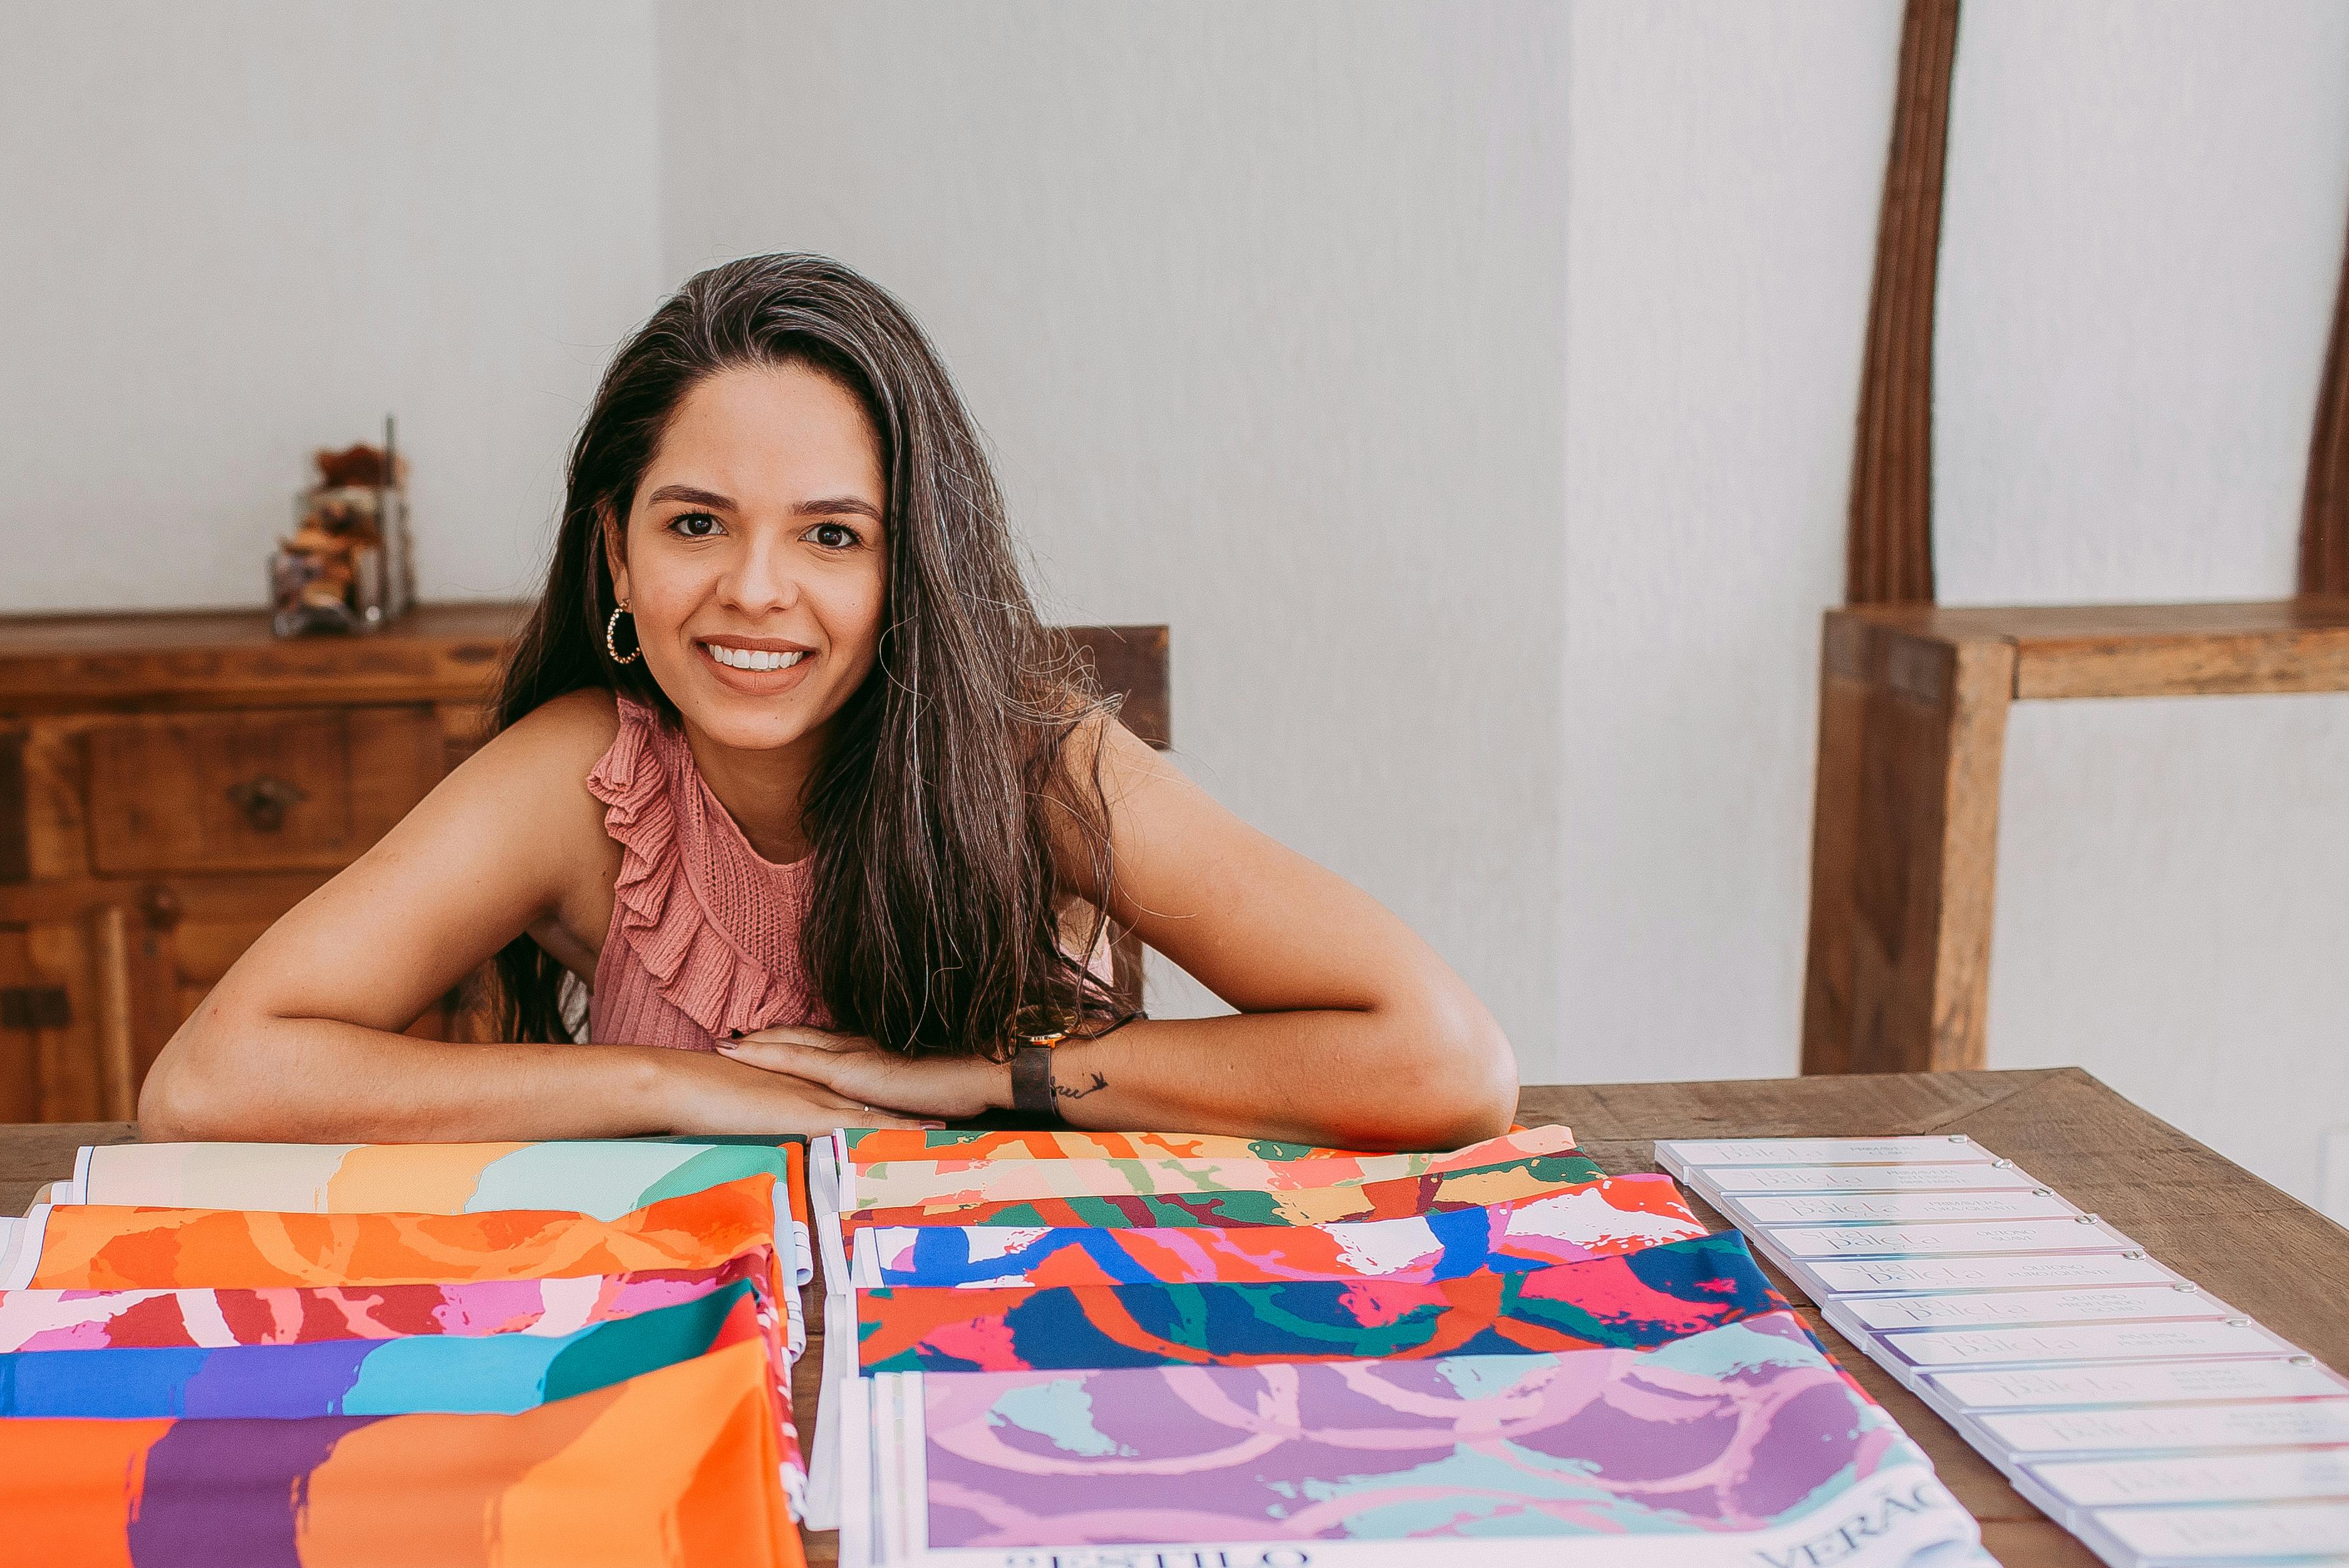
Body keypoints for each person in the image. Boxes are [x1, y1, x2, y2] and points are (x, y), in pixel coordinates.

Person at [142, 254, 1516, 1145]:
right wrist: (671, 1086)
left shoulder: (1033, 758)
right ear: (616, 549)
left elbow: (1442, 1061)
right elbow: (209, 1084)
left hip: (991, 1357)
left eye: (832, 535)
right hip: (684, 1359)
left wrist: (994, 1077)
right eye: (696, 524)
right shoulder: (583, 777)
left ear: (909, 564)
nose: (754, 590)